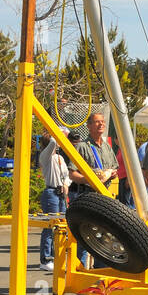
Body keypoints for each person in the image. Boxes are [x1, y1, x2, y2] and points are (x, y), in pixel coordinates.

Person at [67, 112, 119, 201]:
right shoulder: (82, 147)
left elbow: (115, 169)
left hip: (105, 194)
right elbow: (72, 174)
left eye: (103, 121)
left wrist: (112, 174)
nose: (101, 124)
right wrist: (88, 180)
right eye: (97, 122)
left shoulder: (107, 147)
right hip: (88, 196)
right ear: (89, 126)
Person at [38, 132, 70, 272]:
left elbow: (67, 175)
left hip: (60, 192)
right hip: (51, 192)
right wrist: (55, 131)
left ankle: (57, 256)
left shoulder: (59, 158)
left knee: (61, 226)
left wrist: (66, 184)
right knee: (50, 226)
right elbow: (52, 143)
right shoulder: (45, 156)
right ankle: (46, 259)